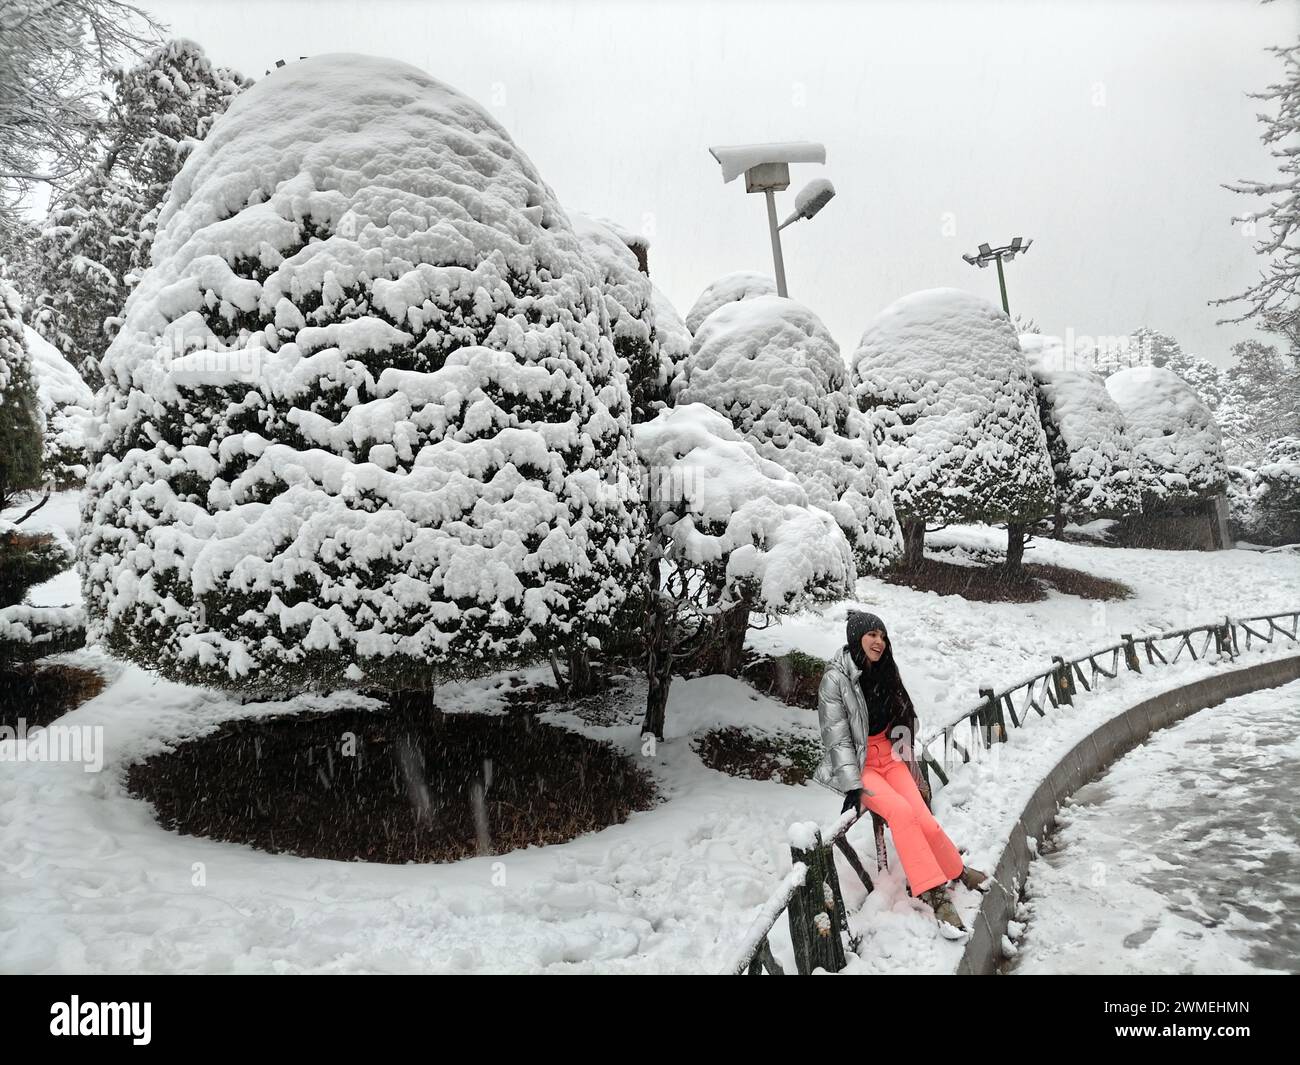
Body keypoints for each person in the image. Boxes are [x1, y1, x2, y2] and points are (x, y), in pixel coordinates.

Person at [813, 609, 989, 936]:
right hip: (861, 763)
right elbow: (836, 738)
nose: (879, 642)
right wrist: (852, 785)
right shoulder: (835, 680)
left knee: (925, 821)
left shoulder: (885, 669)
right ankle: (933, 891)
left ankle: (956, 869)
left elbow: (905, 716)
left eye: (882, 635)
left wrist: (905, 744)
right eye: (872, 635)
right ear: (856, 638)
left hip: (890, 756)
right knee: (901, 813)